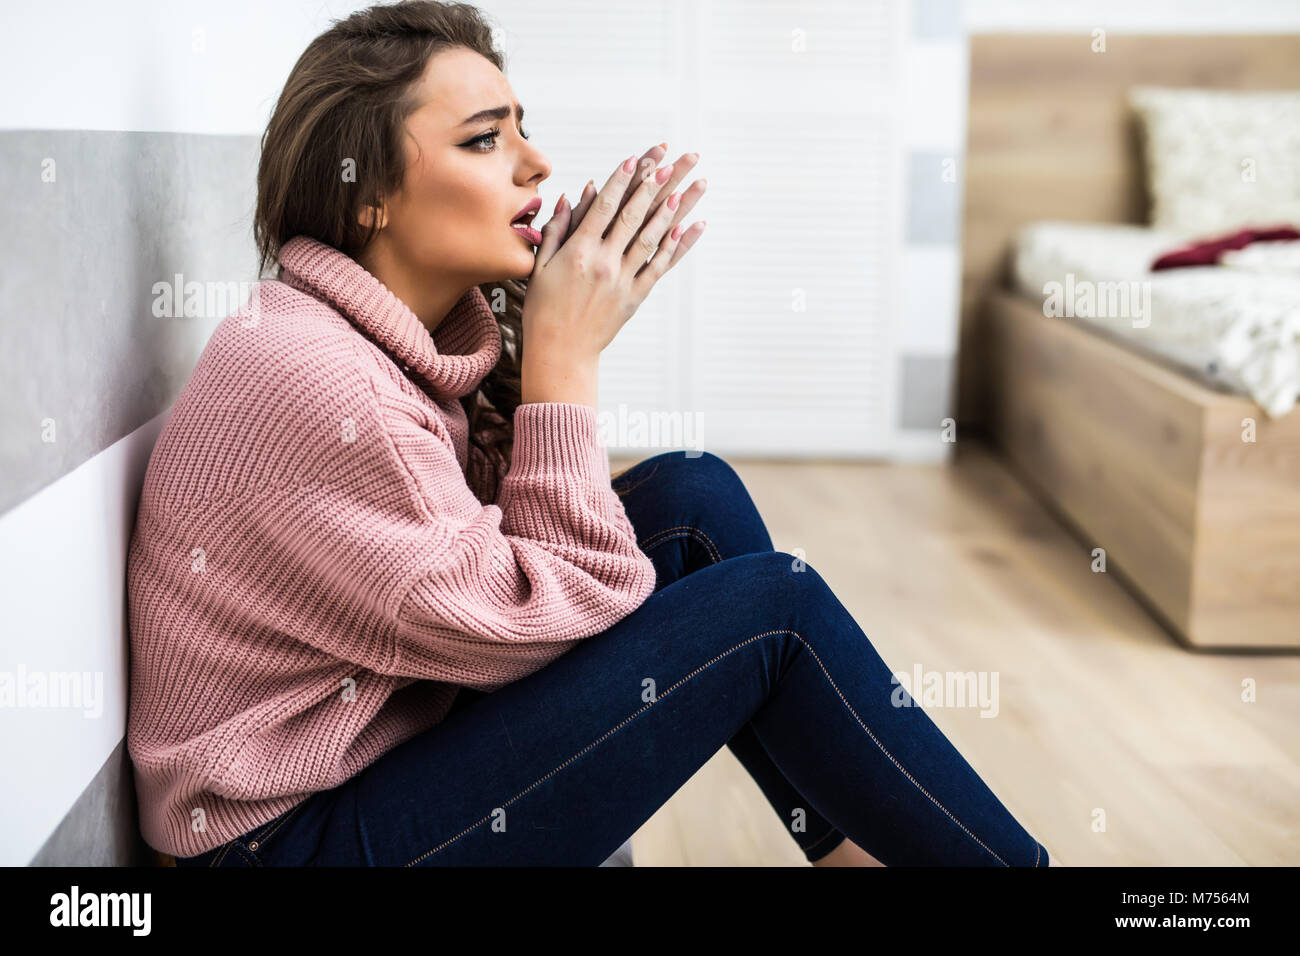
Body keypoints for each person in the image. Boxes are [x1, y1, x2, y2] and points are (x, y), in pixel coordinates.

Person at [128, 0, 1057, 867]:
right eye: (485, 139)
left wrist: (537, 336)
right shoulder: (323, 383)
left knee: (694, 496)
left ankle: (864, 855)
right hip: (281, 843)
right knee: (779, 609)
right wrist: (563, 365)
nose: (533, 164)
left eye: (521, 129)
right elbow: (543, 613)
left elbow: (471, 560)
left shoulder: (372, 340)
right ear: (366, 195)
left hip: (359, 757)